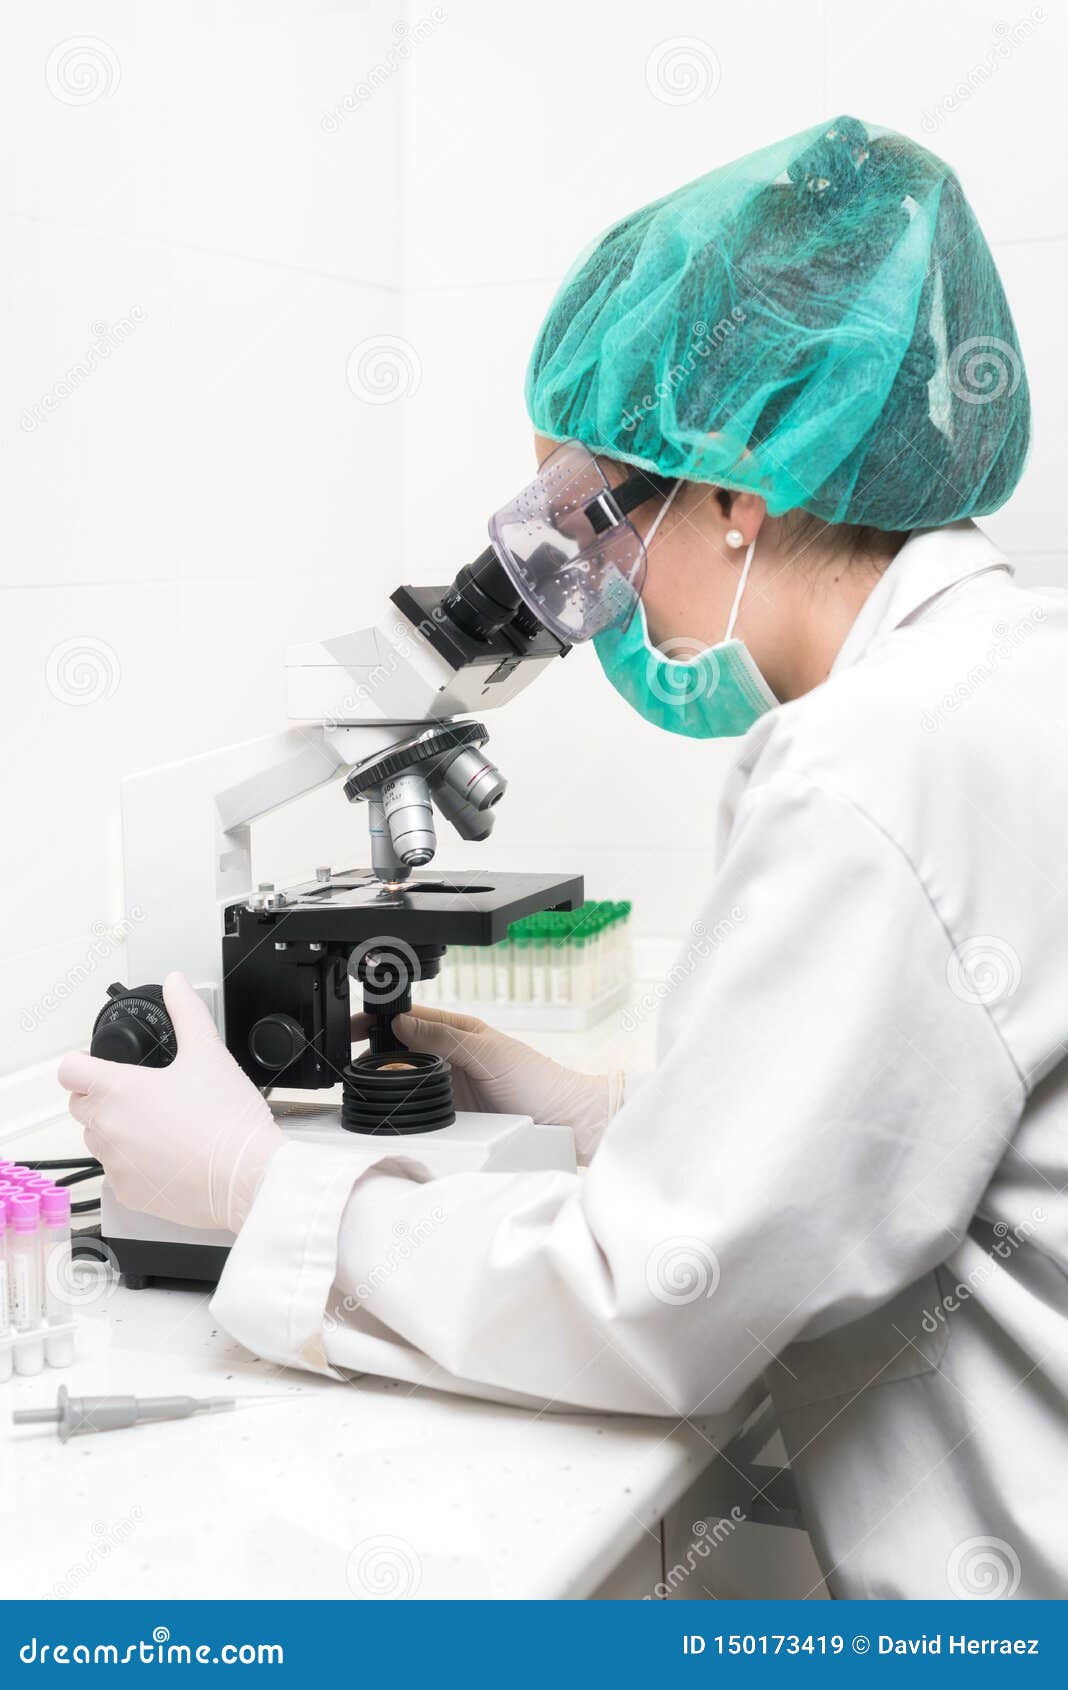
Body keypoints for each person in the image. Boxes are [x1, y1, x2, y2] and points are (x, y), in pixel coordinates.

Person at [60, 118, 1062, 1600]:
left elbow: (649, 1304)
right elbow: (892, 1135)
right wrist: (612, 1115)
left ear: (739, 497)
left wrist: (256, 1182)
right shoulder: (1001, 671)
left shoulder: (871, 767)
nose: (585, 590)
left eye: (604, 516)